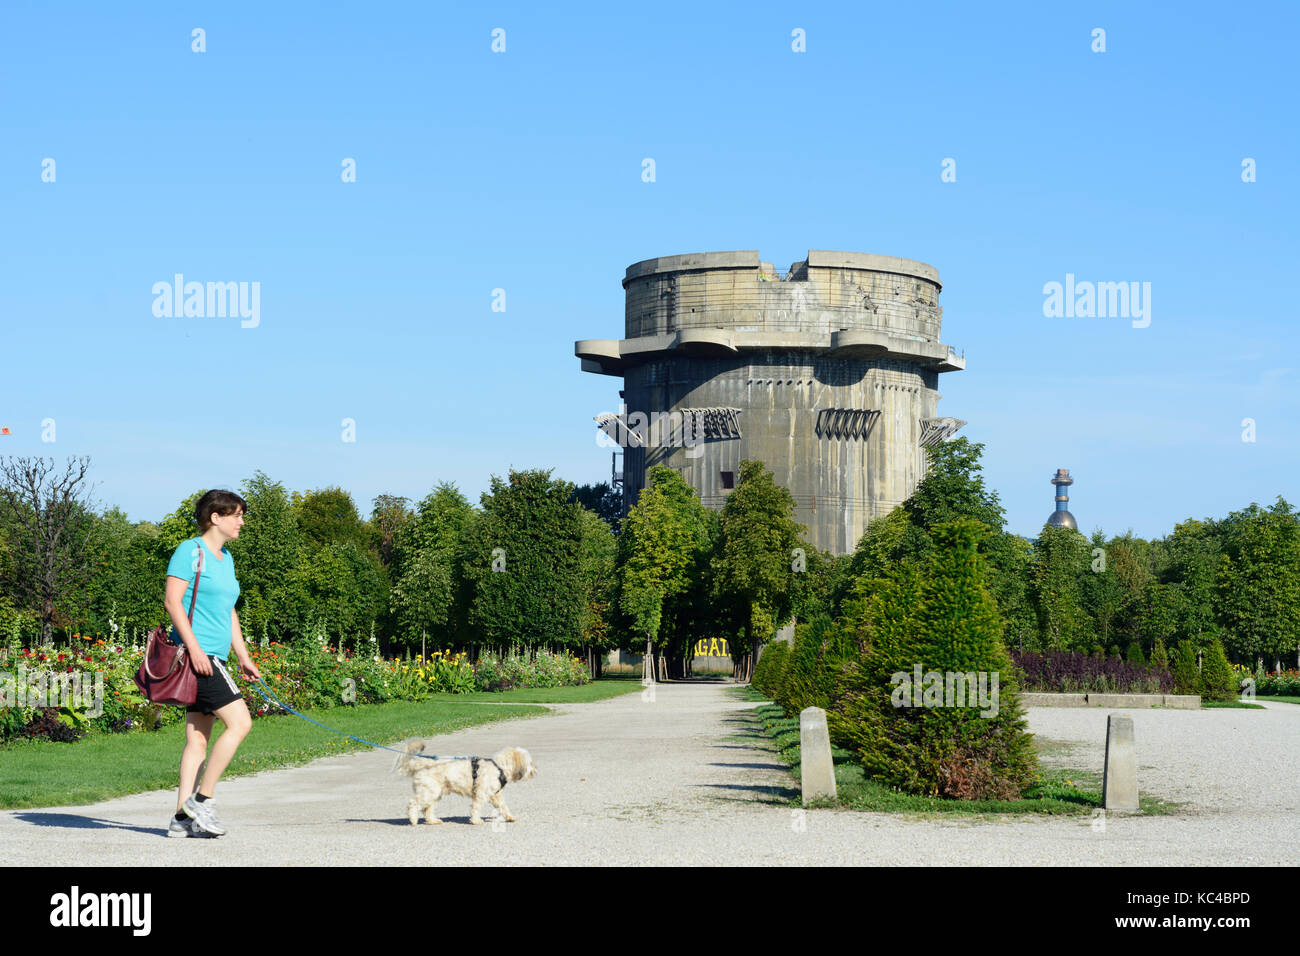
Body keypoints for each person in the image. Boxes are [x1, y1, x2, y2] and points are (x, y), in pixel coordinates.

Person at [164, 489, 262, 837]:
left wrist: (244, 656)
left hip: (214, 655)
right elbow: (173, 603)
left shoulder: (226, 559)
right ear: (215, 517)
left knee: (198, 740)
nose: (241, 521)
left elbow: (228, 611)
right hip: (198, 657)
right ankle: (202, 800)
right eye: (235, 514)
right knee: (240, 723)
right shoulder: (190, 551)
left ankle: (180, 820)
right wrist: (194, 649)